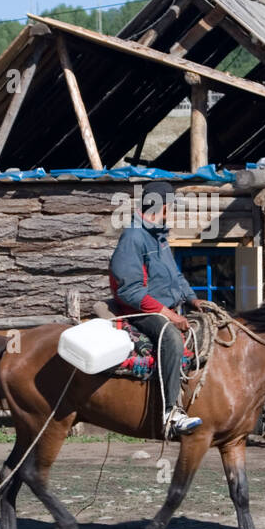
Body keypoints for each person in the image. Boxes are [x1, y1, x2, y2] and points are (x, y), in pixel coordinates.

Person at [108, 180, 201, 437]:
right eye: (170, 207)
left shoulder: (157, 236)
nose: (171, 212)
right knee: (169, 336)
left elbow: (175, 276)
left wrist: (194, 299)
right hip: (141, 311)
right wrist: (168, 314)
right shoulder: (134, 237)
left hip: (162, 307)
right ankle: (170, 413)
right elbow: (130, 290)